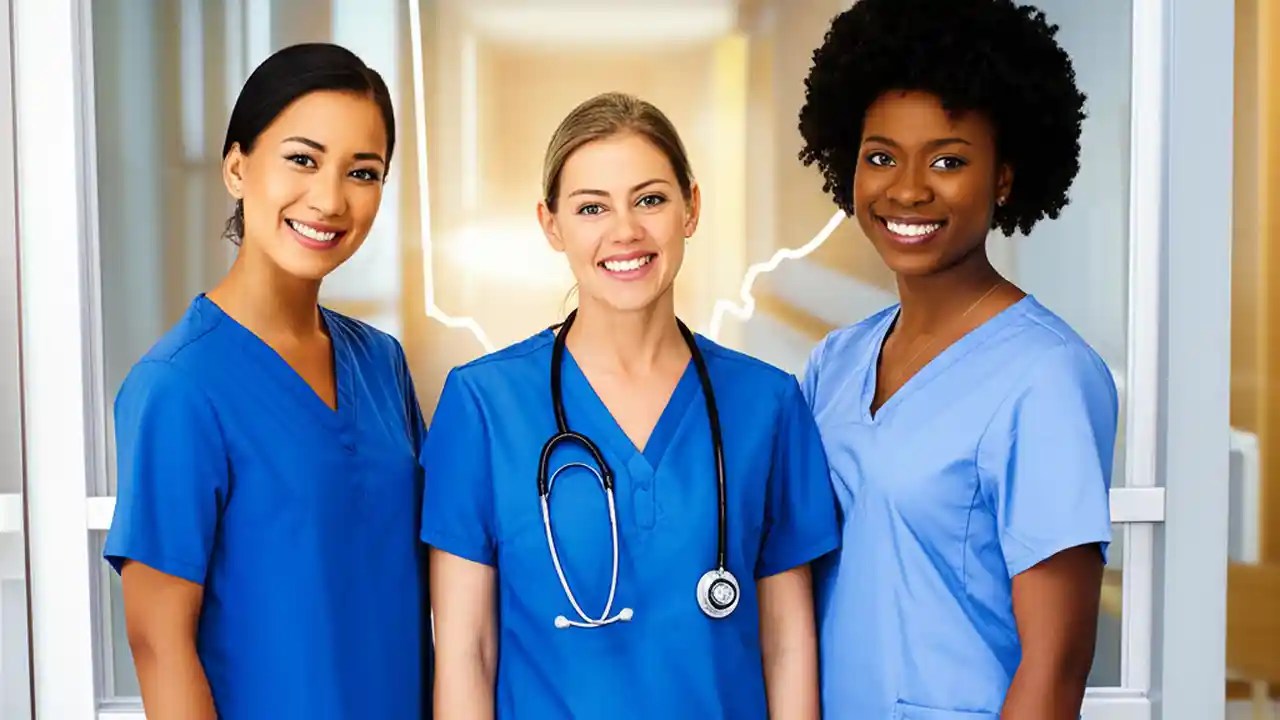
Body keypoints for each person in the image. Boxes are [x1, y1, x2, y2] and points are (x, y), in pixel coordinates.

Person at [422, 91, 838, 718]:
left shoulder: (768, 405)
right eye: (592, 207)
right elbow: (466, 655)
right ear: (551, 224)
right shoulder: (483, 405)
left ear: (690, 208)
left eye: (650, 199)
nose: (626, 231)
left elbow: (787, 650)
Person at [796, 1, 1116, 717]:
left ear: (1004, 178)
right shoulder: (835, 365)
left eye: (948, 160)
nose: (907, 189)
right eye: (880, 157)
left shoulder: (1046, 377)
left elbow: (1056, 665)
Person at [103, 43, 429, 719]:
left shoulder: (381, 365)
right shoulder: (180, 387)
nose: (330, 198)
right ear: (237, 167)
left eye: (362, 172)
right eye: (302, 159)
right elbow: (159, 643)